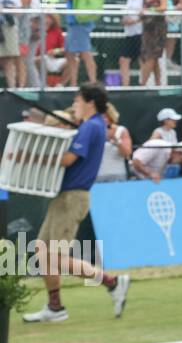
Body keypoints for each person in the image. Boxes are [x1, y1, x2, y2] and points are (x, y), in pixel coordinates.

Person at [22, 84, 132, 323]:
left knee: (55, 257)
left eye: (77, 100)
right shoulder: (92, 125)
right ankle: (55, 307)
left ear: (90, 102)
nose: (74, 105)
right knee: (42, 252)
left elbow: (67, 159)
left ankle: (112, 282)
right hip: (64, 196)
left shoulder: (91, 126)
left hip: (72, 198)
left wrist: (26, 156)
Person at [59, 0, 98, 84]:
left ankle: (93, 82)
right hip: (74, 21)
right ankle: (73, 82)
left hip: (80, 20)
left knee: (84, 52)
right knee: (70, 52)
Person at [138, 0, 170, 86]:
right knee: (152, 58)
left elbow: (163, 7)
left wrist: (149, 11)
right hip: (147, 29)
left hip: (158, 29)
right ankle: (158, 84)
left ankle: (142, 85)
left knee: (152, 57)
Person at [97, 105, 133, 183]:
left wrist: (118, 142)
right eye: (101, 116)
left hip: (117, 174)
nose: (104, 119)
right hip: (96, 175)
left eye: (106, 116)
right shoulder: (92, 131)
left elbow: (127, 153)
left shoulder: (121, 130)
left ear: (111, 116)